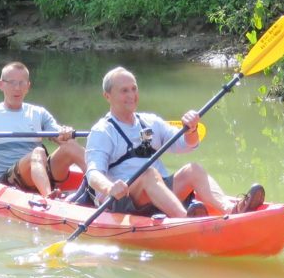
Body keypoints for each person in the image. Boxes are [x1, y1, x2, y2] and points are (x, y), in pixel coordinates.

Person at [83, 66, 265, 218]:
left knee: (193, 169)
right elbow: (93, 173)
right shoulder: (102, 131)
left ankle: (232, 209)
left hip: (159, 193)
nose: (131, 95)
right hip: (126, 200)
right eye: (124, 90)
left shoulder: (150, 122)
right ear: (107, 96)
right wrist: (109, 187)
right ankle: (186, 220)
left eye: (134, 88)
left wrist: (192, 128)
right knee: (149, 174)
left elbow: (186, 144)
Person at [0, 61, 85, 199]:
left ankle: (103, 190)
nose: (17, 88)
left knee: (71, 146)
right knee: (37, 152)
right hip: (7, 179)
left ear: (28, 86)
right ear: (1, 85)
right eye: (12, 82)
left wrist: (66, 133)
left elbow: (60, 138)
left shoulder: (39, 112)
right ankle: (49, 198)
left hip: (39, 171)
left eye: (22, 83)